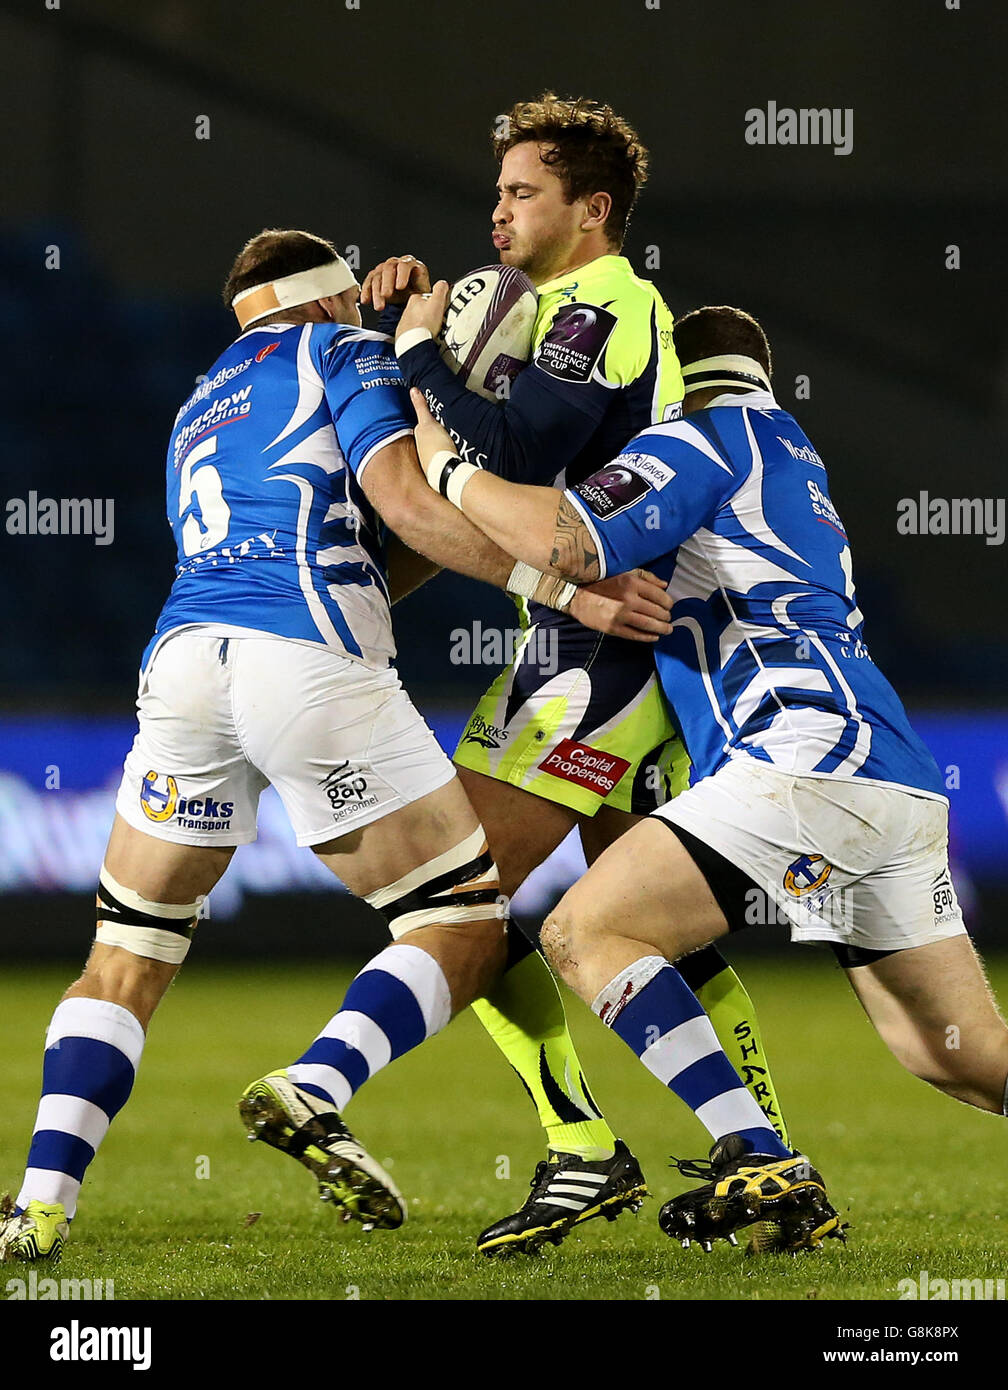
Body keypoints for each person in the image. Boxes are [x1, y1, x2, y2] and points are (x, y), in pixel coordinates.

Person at [0, 228, 669, 1266]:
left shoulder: (197, 404)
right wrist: (561, 587)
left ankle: (40, 1204)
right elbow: (404, 504)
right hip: (305, 658)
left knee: (124, 955)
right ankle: (317, 1082)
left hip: (183, 664)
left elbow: (362, 545)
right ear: (325, 304)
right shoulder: (343, 354)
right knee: (465, 920)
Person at [411, 302, 1008, 1251]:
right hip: (887, 772)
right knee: (964, 1058)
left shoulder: (703, 436)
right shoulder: (795, 455)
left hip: (802, 756)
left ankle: (759, 1153)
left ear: (678, 382)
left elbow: (566, 540)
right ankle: (763, 1157)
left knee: (585, 928)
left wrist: (444, 460)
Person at [361, 94, 793, 1255]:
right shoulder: (545, 308)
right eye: (496, 190)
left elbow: (516, 451)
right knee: (653, 931)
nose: (496, 209)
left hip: (592, 652)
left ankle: (578, 1143)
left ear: (592, 210)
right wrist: (421, 314)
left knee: (451, 896)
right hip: (605, 641)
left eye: (522, 192)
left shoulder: (604, 301)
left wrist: (416, 359)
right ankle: (765, 1159)